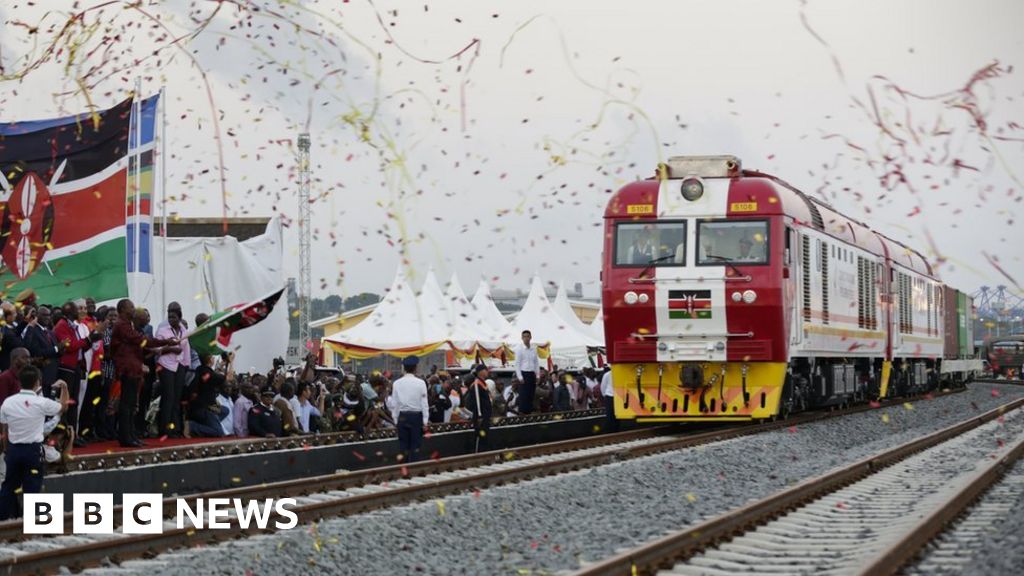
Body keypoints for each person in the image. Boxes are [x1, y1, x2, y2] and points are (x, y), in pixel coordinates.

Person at [0, 367, 69, 520]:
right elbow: (63, 406)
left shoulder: (8, 403)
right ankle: (30, 524)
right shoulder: (41, 402)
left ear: (20, 382)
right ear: (37, 382)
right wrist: (64, 387)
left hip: (13, 451)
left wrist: (6, 450)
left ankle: (3, 522)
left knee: (8, 487)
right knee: (32, 488)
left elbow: (4, 428)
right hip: (32, 452)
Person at [110, 300, 176, 447]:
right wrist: (165, 342)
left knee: (132, 403)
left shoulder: (127, 325)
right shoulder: (121, 325)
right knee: (127, 404)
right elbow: (141, 340)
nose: (134, 309)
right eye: (131, 307)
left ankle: (131, 435)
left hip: (133, 368)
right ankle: (125, 437)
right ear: (122, 309)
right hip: (128, 368)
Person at [155, 304, 190, 437]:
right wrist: (171, 348)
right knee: (168, 397)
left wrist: (186, 365)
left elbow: (186, 350)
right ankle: (164, 429)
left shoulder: (184, 331)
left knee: (176, 397)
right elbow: (156, 350)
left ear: (179, 317)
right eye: (169, 316)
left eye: (174, 317)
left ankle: (175, 428)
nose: (171, 319)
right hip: (166, 366)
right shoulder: (162, 331)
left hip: (180, 365)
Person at [391, 356, 428, 463]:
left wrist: (395, 420)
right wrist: (425, 421)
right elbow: (424, 403)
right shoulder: (421, 383)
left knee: (403, 445)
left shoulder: (396, 383)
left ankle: (404, 469)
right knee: (415, 444)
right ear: (415, 368)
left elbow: (395, 403)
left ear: (404, 368)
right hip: (416, 417)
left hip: (402, 416)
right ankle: (414, 469)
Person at [22, 306, 61, 396]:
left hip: (53, 374)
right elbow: (37, 352)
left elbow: (57, 351)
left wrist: (61, 349)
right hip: (42, 374)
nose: (47, 317)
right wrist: (56, 349)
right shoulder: (33, 331)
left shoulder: (50, 332)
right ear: (37, 316)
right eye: (44, 315)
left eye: (49, 315)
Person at [186, 353, 229, 438]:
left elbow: (214, 375)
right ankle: (192, 426)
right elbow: (228, 378)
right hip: (205, 408)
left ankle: (208, 423)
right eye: (212, 357)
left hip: (198, 407)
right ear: (210, 360)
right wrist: (231, 362)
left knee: (225, 410)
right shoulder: (208, 373)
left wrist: (222, 365)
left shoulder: (200, 370)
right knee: (218, 432)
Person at [463, 364, 493, 453]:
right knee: (480, 434)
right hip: (481, 416)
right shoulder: (477, 384)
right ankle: (478, 453)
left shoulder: (484, 383)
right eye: (485, 370)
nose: (487, 372)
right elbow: (477, 401)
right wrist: (480, 416)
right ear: (481, 372)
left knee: (485, 434)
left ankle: (484, 452)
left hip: (486, 414)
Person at [514, 330, 540, 415]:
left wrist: (538, 375)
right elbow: (517, 364)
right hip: (524, 373)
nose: (526, 338)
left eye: (527, 336)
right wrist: (520, 377)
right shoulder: (519, 349)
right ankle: (523, 412)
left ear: (530, 337)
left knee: (531, 394)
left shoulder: (533, 349)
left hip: (531, 373)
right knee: (523, 395)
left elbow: (536, 363)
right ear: (522, 338)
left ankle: (529, 411)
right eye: (524, 336)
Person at [0, 302, 25, 373]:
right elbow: (20, 344)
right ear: (6, 316)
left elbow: (16, 331)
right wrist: (30, 329)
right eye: (14, 313)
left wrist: (25, 322)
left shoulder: (13, 325)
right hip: (8, 369)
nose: (16, 315)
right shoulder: (4, 331)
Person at [601, 367, 618, 432]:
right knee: (615, 416)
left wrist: (604, 395)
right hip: (616, 396)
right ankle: (614, 430)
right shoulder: (608, 374)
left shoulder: (607, 374)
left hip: (609, 396)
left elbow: (603, 386)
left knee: (610, 415)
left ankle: (611, 430)